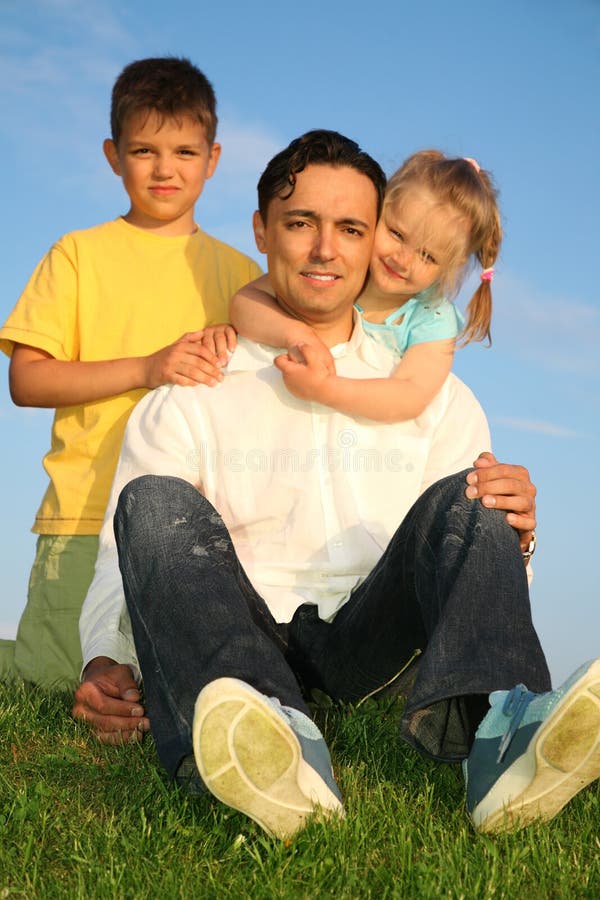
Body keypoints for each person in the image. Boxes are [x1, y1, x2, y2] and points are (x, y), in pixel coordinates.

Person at [73, 130, 600, 840]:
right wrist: (106, 659)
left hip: (370, 637)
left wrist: (517, 536)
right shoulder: (196, 383)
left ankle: (506, 735)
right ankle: (277, 744)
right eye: (301, 224)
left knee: (473, 493)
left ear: (372, 235)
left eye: (351, 228)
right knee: (152, 503)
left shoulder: (436, 396)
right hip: (238, 631)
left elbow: (464, 560)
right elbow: (125, 552)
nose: (327, 250)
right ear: (262, 231)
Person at [0, 57, 262, 687]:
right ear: (113, 155)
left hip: (193, 520)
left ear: (214, 158)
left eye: (184, 151)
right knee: (54, 681)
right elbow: (27, 381)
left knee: (171, 684)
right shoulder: (77, 254)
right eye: (144, 150)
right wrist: (149, 367)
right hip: (83, 513)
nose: (165, 168)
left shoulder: (242, 279)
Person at [226, 150, 500, 422]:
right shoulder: (344, 273)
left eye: (428, 256)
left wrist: (326, 389)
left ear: (451, 267)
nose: (403, 260)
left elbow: (410, 396)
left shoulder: (432, 317)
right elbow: (246, 302)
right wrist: (298, 335)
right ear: (378, 212)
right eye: (397, 234)